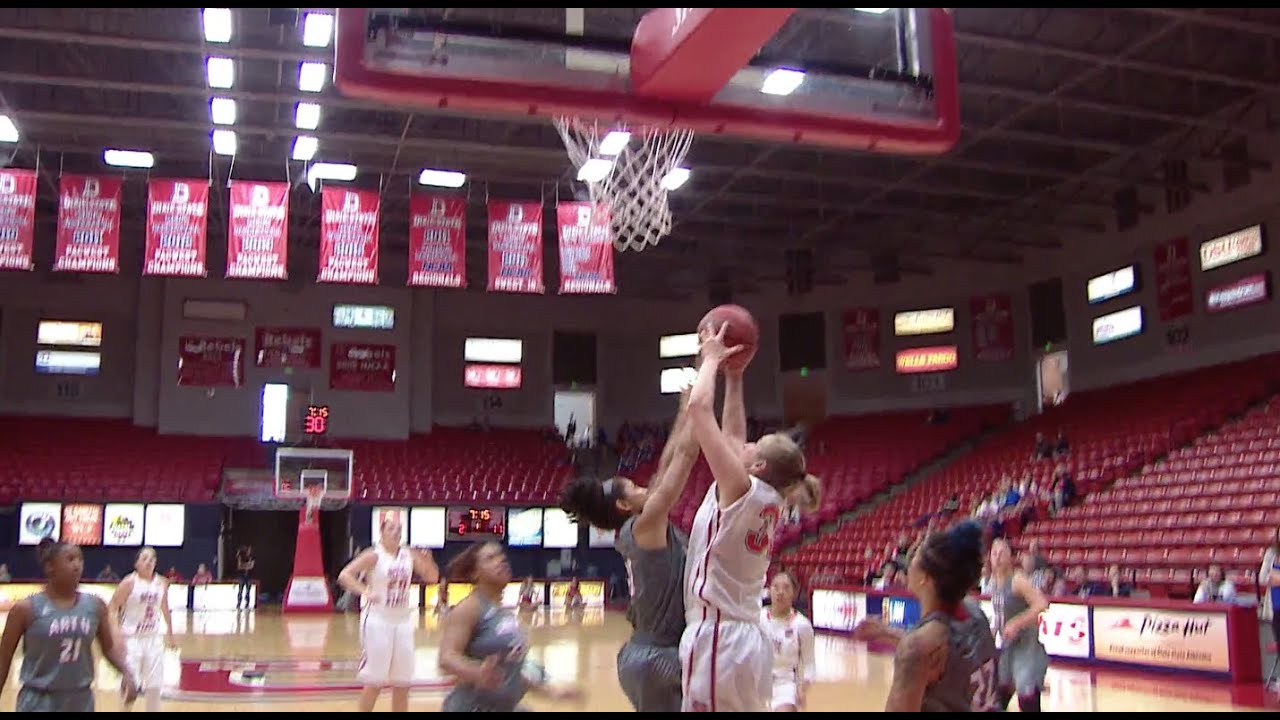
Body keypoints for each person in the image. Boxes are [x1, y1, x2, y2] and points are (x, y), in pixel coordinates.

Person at [680, 321, 822, 712]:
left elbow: (698, 409)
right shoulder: (765, 497)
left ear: (757, 465)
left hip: (718, 640)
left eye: (752, 446)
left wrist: (709, 360)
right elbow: (732, 434)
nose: (742, 444)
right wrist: (736, 377)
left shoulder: (742, 490)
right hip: (741, 638)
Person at [558, 384, 701, 712]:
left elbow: (666, 462)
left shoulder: (639, 525)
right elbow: (684, 456)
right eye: (636, 487)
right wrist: (699, 407)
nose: (645, 487)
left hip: (648, 655)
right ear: (623, 504)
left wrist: (682, 411)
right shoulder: (645, 525)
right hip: (657, 657)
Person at [853, 521, 998, 712]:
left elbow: (920, 651)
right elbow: (946, 648)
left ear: (925, 578)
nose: (907, 565)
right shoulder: (975, 613)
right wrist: (885, 632)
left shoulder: (919, 648)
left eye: (914, 558)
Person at [438, 542, 580, 712]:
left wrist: (550, 691)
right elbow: (446, 658)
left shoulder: (504, 614)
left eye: (501, 556)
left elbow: (512, 674)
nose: (501, 560)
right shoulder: (470, 608)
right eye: (490, 558)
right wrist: (477, 672)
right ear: (476, 573)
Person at [0, 539, 140, 712]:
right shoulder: (25, 609)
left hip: (80, 701)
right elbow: (3, 658)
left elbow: (108, 648)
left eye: (80, 559)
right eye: (70, 559)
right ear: (50, 566)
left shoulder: (95, 606)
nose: (77, 565)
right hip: (38, 700)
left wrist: (126, 672)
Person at [338, 516, 440, 712]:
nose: (396, 531)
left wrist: (429, 560)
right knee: (375, 681)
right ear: (382, 532)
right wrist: (365, 591)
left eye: (399, 528)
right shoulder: (374, 554)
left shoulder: (409, 554)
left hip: (402, 622)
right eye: (391, 528)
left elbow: (432, 577)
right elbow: (344, 575)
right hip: (378, 620)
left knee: (402, 683)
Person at [108, 546, 177, 712]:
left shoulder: (161, 583)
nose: (149, 562)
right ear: (137, 563)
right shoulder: (129, 582)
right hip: (131, 639)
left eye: (152, 559)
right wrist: (116, 634)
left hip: (153, 638)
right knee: (130, 685)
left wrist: (170, 633)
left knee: (155, 685)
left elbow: (165, 608)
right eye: (144, 558)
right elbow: (112, 608)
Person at [987, 537, 1049, 712]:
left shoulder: (1017, 580)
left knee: (1027, 698)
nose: (997, 557)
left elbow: (1041, 603)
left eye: (1002, 553)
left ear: (1010, 557)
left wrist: (1016, 623)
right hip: (1009, 645)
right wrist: (991, 632)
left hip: (1027, 645)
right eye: (994, 553)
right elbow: (1000, 615)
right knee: (998, 695)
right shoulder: (993, 581)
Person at [761, 572, 815, 712]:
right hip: (757, 683)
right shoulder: (757, 618)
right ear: (769, 591)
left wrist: (802, 689)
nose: (780, 592)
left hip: (785, 684)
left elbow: (809, 665)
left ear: (794, 593)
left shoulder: (802, 625)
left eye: (786, 588)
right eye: (776, 587)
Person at [235, 545, 254, 610]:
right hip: (241, 576)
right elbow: (239, 566)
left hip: (249, 576)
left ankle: (247, 604)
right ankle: (239, 603)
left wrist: (244, 565)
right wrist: (247, 565)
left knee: (248, 591)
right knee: (240, 590)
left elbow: (251, 566)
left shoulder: (252, 557)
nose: (249, 551)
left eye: (250, 550)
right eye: (248, 550)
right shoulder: (241, 556)